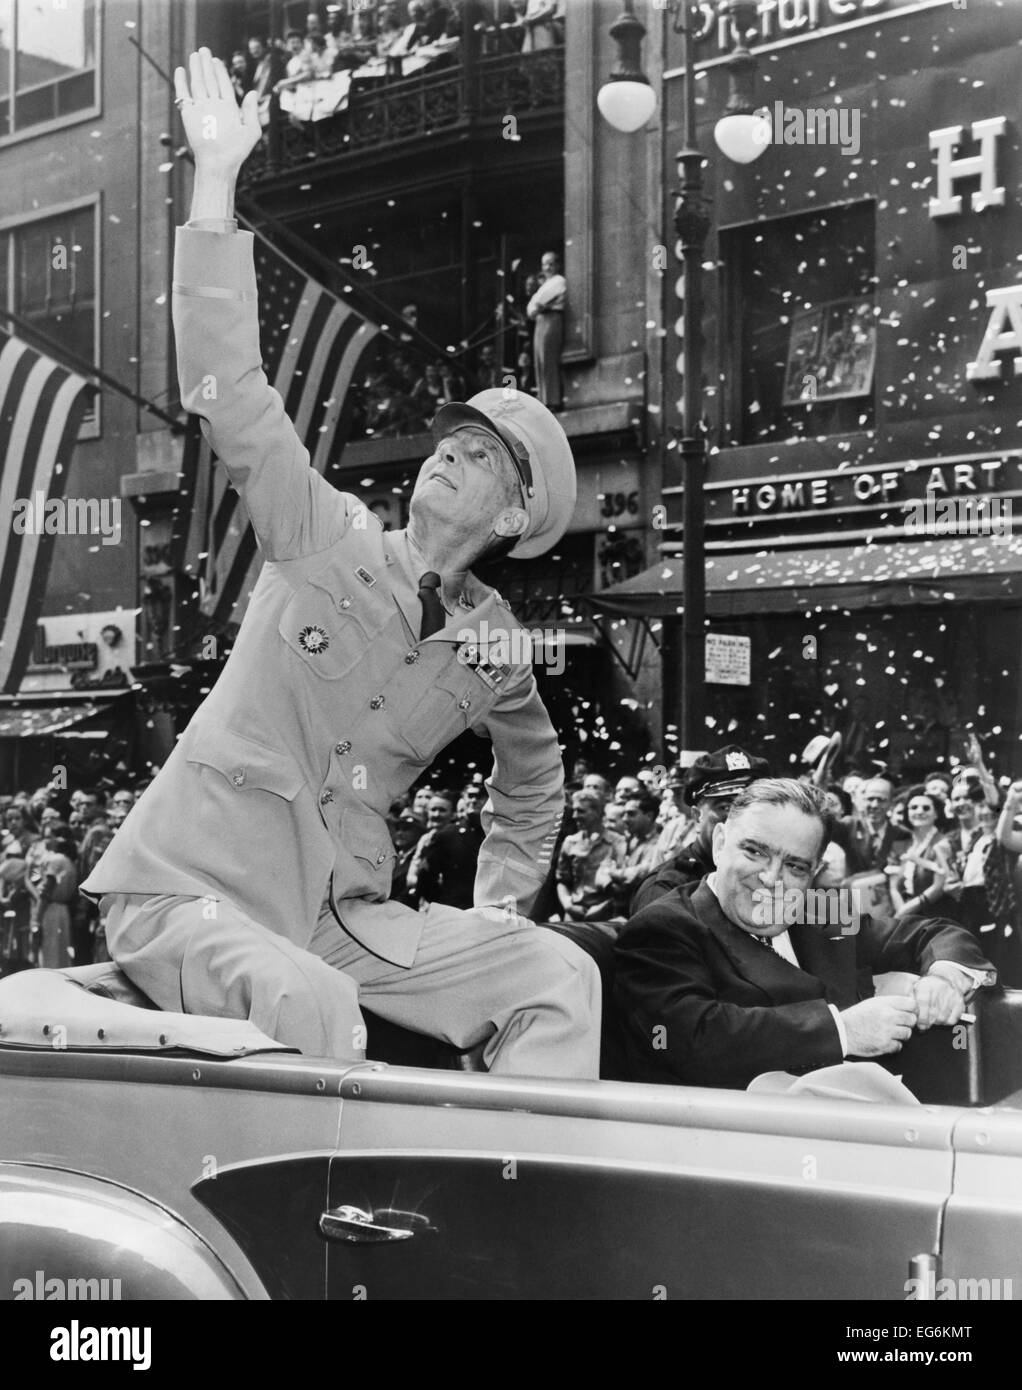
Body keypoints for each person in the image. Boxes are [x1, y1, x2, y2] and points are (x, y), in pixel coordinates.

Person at [84, 49, 597, 1082]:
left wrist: (498, 900)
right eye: (446, 444)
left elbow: (534, 779)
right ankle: (331, 1237)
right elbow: (230, 391)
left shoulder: (494, 642)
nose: (446, 455)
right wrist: (216, 181)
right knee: (303, 1001)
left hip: (343, 919)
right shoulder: (322, 532)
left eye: (479, 458)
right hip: (193, 891)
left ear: (515, 512)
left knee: (557, 975)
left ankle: (506, 1208)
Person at [612, 780, 995, 1090]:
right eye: (755, 852)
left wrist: (944, 978)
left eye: (794, 866)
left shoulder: (818, 911)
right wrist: (842, 1031)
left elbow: (929, 932)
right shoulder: (663, 928)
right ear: (718, 843)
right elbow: (686, 1038)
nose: (770, 878)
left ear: (813, 873)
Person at [631, 745, 770, 913]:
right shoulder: (667, 889)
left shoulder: (769, 874)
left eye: (751, 806)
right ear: (697, 816)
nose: (741, 817)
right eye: (725, 807)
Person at [555, 790, 625, 927]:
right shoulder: (570, 842)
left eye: (581, 811)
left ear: (597, 812)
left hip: (604, 917)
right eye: (574, 811)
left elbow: (621, 887)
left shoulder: (617, 843)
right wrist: (568, 905)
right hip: (573, 914)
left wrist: (604, 906)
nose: (575, 816)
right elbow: (562, 880)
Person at [884, 787, 951, 921]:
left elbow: (938, 888)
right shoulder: (900, 845)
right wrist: (902, 915)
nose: (919, 811)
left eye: (926, 808)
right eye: (913, 807)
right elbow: (894, 888)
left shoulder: (943, 843)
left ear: (936, 814)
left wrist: (904, 913)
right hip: (904, 916)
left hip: (935, 916)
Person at [526, 251, 566, 411]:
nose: (547, 267)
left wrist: (536, 307)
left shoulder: (559, 281)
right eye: (545, 264)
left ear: (557, 265)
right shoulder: (544, 285)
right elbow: (531, 308)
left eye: (551, 263)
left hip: (551, 319)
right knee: (539, 360)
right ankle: (544, 398)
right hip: (541, 321)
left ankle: (553, 400)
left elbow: (538, 303)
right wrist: (535, 307)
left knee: (549, 358)